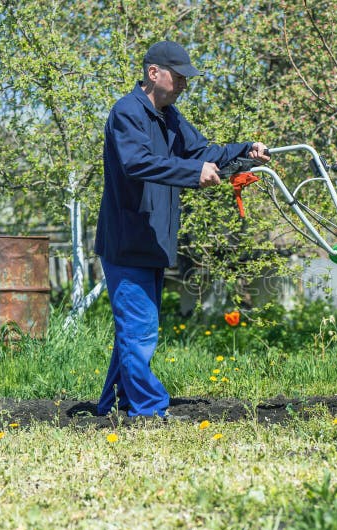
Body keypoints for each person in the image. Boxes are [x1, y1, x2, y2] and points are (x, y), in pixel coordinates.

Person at [94, 40, 269, 417]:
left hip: (152, 242)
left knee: (135, 331)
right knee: (139, 332)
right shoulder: (127, 113)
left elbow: (203, 152)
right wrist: (192, 174)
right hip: (127, 241)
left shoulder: (169, 116)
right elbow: (136, 163)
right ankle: (148, 411)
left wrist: (245, 152)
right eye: (179, 77)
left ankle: (113, 404)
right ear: (153, 72)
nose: (184, 84)